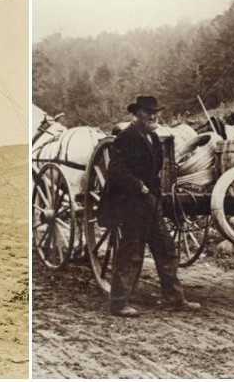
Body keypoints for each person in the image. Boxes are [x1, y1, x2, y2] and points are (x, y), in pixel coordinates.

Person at [98, 96, 200, 317]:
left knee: (166, 249)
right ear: (137, 114)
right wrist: (140, 188)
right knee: (131, 253)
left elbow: (156, 170)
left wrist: (155, 194)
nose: (153, 116)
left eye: (155, 112)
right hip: (132, 203)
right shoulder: (126, 138)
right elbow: (116, 171)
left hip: (151, 204)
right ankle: (118, 303)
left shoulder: (153, 137)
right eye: (148, 112)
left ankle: (174, 299)